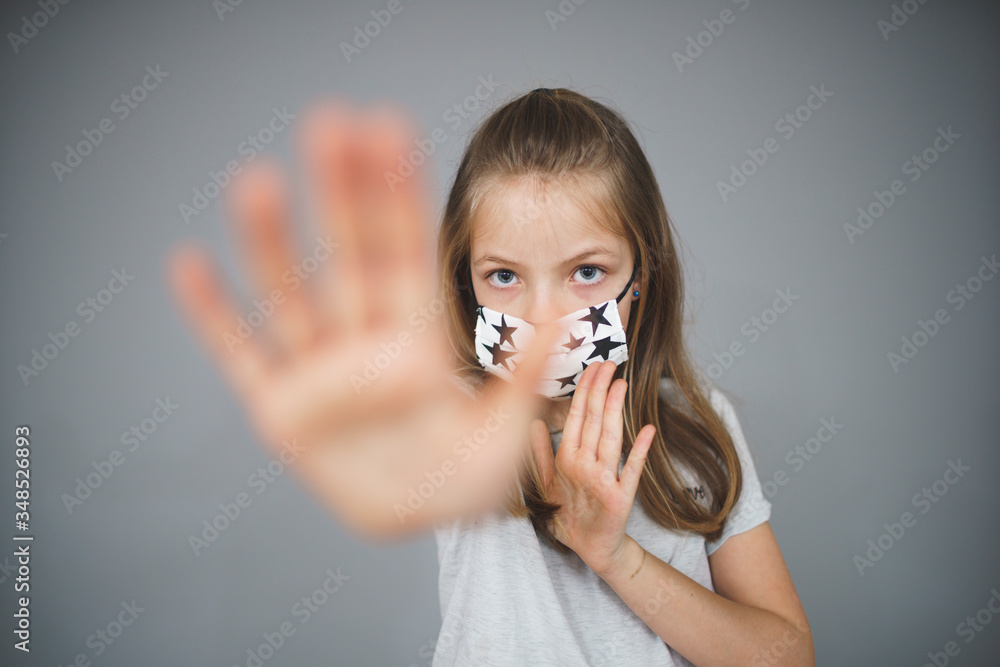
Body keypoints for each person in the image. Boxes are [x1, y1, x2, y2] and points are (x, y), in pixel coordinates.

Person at [165, 86, 813, 666]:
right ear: (467, 285)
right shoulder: (452, 414)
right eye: (504, 276)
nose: (546, 318)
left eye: (586, 271)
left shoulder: (697, 428)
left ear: (641, 277)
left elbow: (786, 657)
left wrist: (618, 557)